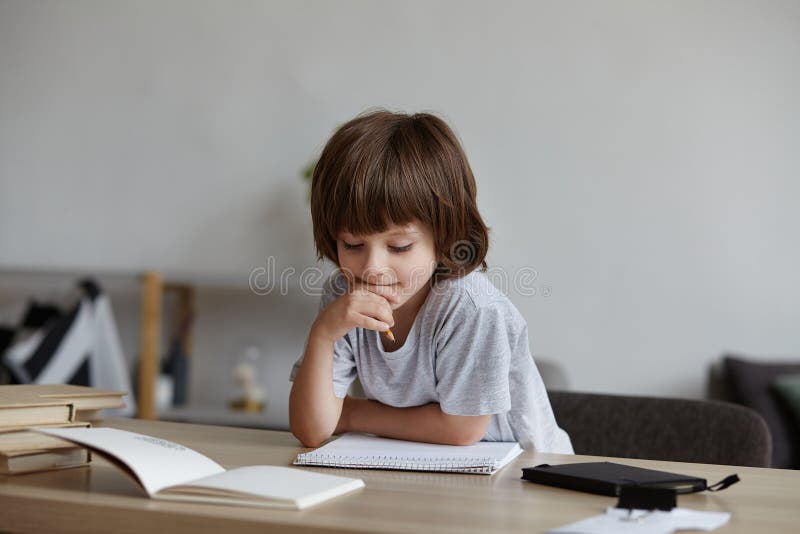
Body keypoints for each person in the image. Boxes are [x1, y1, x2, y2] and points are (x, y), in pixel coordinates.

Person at [289, 109, 573, 453]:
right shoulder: (343, 297)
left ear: (443, 238)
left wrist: (349, 414)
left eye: (399, 247)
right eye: (352, 245)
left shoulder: (471, 308)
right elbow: (312, 430)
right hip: (422, 464)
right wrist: (323, 334)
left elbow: (462, 428)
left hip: (526, 469)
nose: (373, 267)